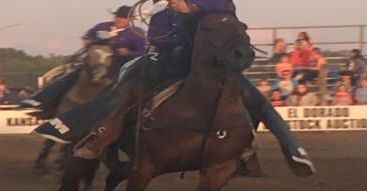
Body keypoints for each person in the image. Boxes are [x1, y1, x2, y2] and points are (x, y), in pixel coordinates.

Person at [33, 0, 314, 176]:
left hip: (211, 64)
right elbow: (158, 40)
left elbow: (225, 9)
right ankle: (86, 132)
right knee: (122, 91)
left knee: (258, 101)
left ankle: (293, 150)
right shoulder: (161, 10)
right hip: (171, 62)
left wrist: (190, 10)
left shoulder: (210, 3)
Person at [20, 4, 145, 118]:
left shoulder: (136, 34)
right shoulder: (102, 27)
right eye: (118, 17)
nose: (119, 20)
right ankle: (44, 103)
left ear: (129, 20)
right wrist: (92, 42)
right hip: (92, 62)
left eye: (123, 18)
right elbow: (87, 37)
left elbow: (142, 52)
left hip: (118, 66)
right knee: (67, 77)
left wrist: (127, 52)